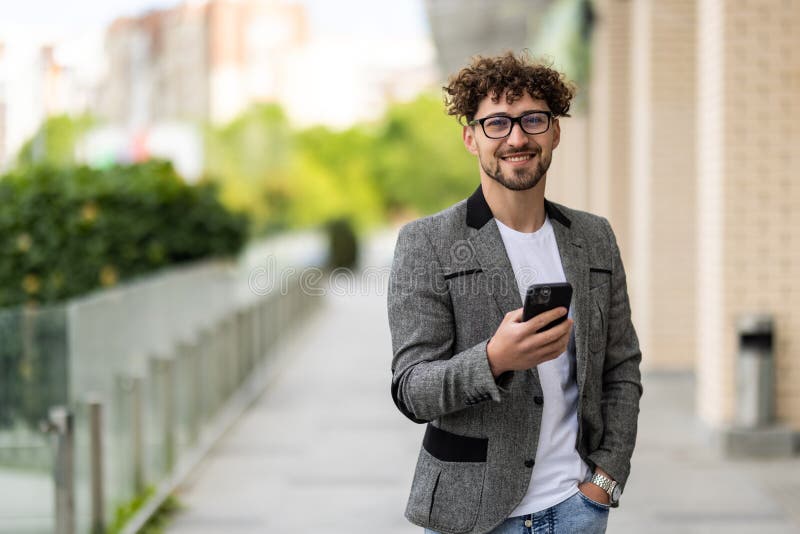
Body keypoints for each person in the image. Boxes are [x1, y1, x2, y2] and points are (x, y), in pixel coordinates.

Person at [387, 51, 643, 534]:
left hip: (577, 507)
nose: (517, 137)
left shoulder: (594, 237)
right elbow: (411, 389)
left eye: (533, 120)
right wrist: (493, 359)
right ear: (470, 137)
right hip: (471, 515)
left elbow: (621, 364)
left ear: (556, 131)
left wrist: (606, 478)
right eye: (497, 123)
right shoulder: (428, 243)